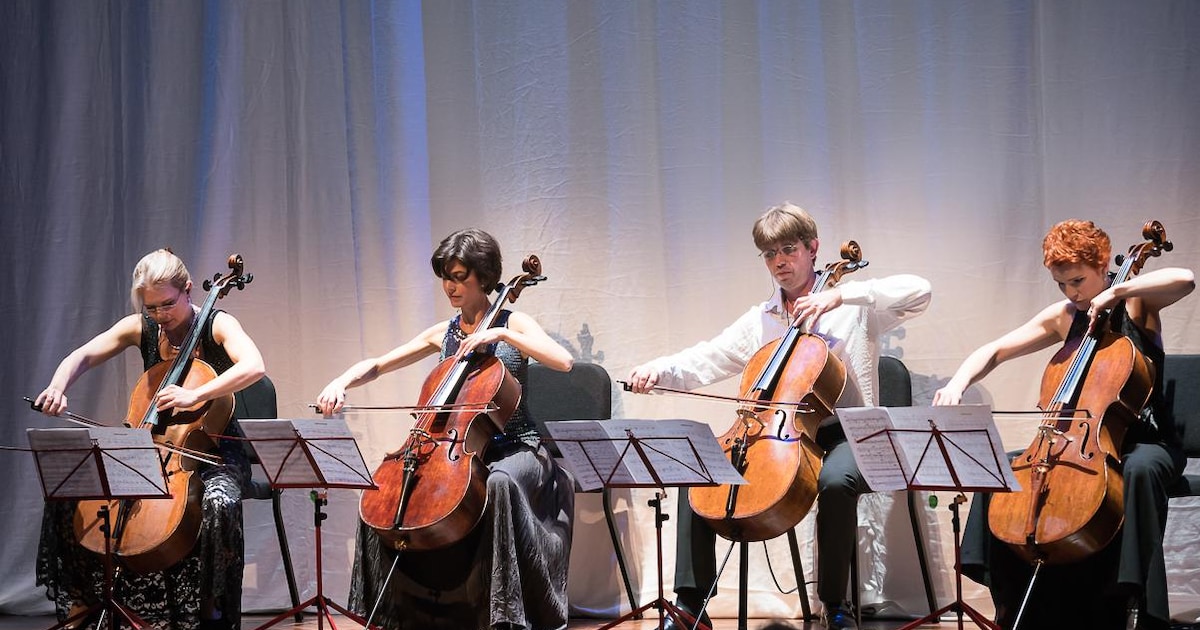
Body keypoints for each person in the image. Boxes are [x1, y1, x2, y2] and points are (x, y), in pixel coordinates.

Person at [627, 202, 932, 630]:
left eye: (788, 249)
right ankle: (691, 604)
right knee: (700, 470)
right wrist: (659, 369)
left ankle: (834, 603)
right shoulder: (762, 318)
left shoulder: (853, 307)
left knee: (835, 480)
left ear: (813, 248)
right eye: (769, 254)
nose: (779, 262)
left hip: (847, 433)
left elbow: (921, 290)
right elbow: (708, 357)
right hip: (778, 437)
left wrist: (844, 293)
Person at [933, 219, 1195, 630]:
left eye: (1078, 280)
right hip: (1080, 444)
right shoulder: (1065, 316)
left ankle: (1140, 603)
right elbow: (996, 349)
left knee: (1141, 471)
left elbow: (1185, 279)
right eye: (1061, 285)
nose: (1072, 293)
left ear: (1102, 265)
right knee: (1002, 470)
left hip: (1146, 440)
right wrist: (959, 381)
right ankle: (1008, 599)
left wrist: (1119, 290)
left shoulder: (1137, 304)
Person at [316, 228, 576, 630]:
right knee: (385, 491)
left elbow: (564, 362)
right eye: (445, 277)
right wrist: (342, 381)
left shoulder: (513, 320)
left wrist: (502, 333)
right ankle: (389, 611)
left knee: (501, 484)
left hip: (516, 448)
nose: (450, 287)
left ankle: (504, 615)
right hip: (453, 452)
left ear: (485, 278)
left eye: (459, 277)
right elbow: (381, 363)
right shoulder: (446, 331)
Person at [33, 248, 267, 630]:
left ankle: (210, 610)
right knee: (71, 492)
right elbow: (84, 355)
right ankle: (84, 602)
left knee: (218, 502)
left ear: (188, 290)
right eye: (151, 307)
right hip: (152, 445)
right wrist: (58, 386)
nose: (159, 315)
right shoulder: (141, 327)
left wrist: (197, 395)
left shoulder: (217, 324)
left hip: (216, 451)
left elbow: (255, 366)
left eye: (167, 305)